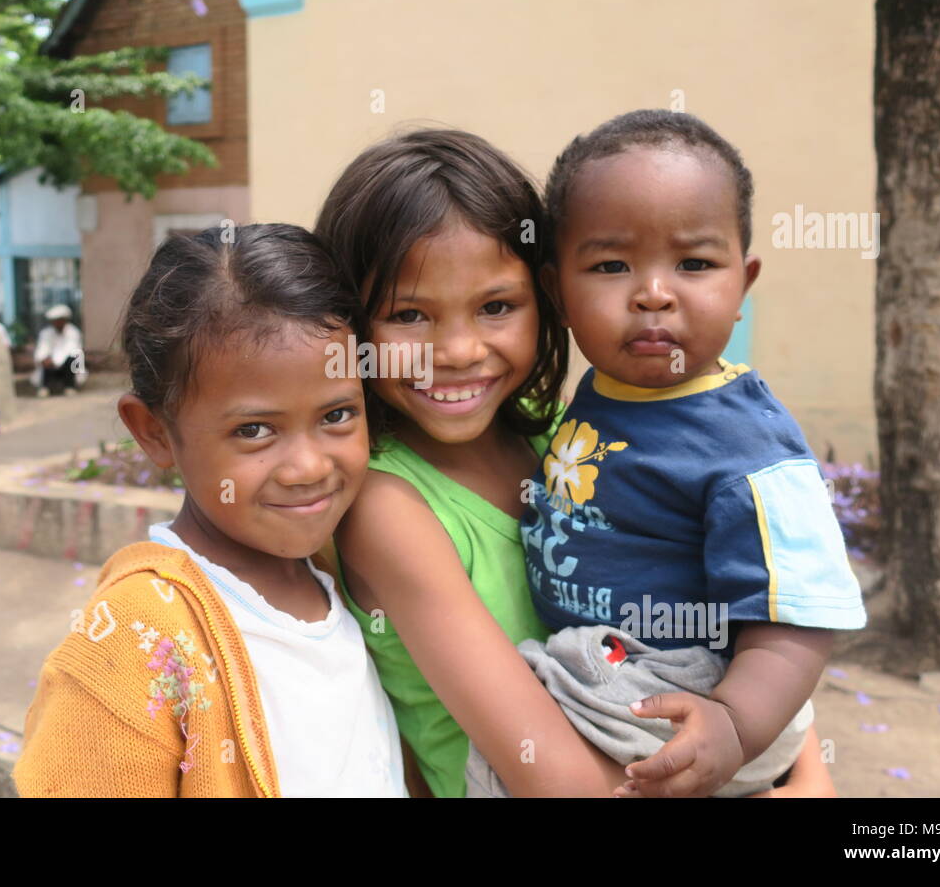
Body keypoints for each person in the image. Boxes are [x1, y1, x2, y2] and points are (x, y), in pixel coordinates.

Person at [318, 127, 836, 797]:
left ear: (547, 299)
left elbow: (756, 620)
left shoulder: (567, 443)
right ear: (350, 326)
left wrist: (796, 764)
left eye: (496, 307)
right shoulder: (387, 508)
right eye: (409, 314)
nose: (457, 351)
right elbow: (559, 784)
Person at [459, 110, 866, 799]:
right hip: (609, 663)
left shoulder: (749, 448)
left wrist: (734, 722)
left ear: (743, 284)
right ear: (558, 291)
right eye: (612, 265)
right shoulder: (601, 393)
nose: (653, 292)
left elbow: (797, 617)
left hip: (688, 691)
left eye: (695, 263)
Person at [14, 224, 406, 797]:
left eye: (337, 415)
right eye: (254, 429)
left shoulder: (340, 569)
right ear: (154, 432)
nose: (308, 467)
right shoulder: (134, 638)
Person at [30, 303, 87, 397]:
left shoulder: (73, 332)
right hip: (51, 366)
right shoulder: (46, 333)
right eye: (55, 321)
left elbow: (71, 349)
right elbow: (42, 348)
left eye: (59, 320)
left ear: (65, 320)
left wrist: (55, 361)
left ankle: (70, 386)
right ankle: (45, 387)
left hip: (67, 365)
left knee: (71, 359)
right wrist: (43, 359)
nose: (57, 323)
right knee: (45, 362)